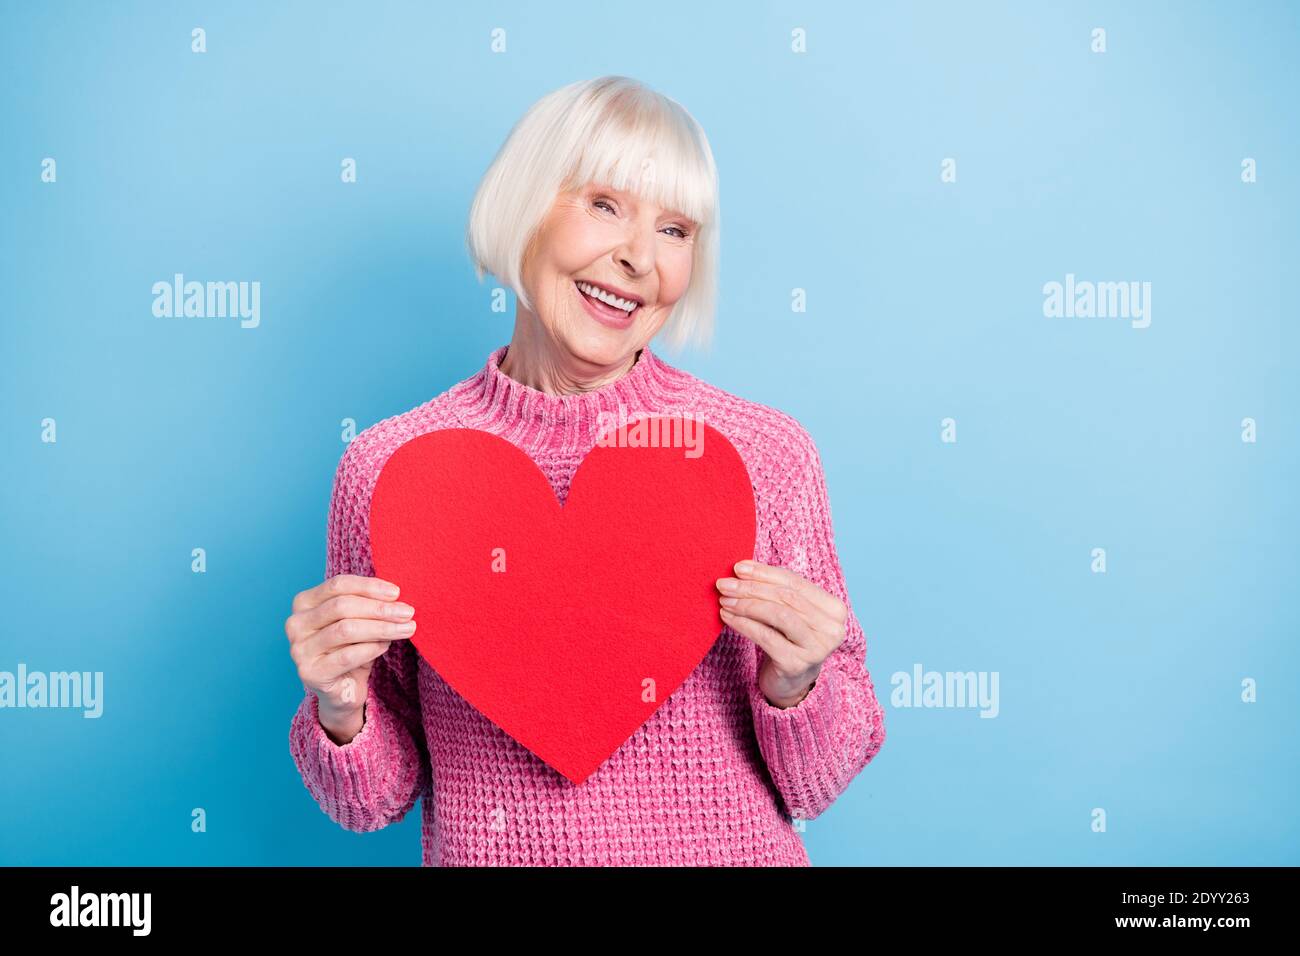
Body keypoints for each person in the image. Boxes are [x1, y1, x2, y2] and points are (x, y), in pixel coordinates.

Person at [285, 75, 886, 866]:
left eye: (676, 230)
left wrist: (797, 685)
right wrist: (339, 708)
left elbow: (820, 782)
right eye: (605, 205)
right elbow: (378, 803)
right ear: (524, 206)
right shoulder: (392, 469)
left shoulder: (762, 454)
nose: (639, 256)